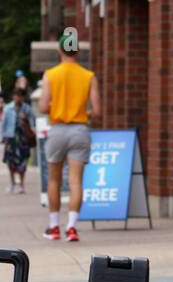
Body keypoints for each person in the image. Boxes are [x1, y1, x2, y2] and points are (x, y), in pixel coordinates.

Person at [38, 33, 99, 242]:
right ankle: (72, 228)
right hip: (79, 130)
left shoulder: (51, 74)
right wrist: (81, 113)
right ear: (78, 51)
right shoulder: (88, 76)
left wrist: (59, 109)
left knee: (54, 179)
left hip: (57, 130)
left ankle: (54, 227)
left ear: (59, 50)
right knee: (76, 181)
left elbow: (43, 106)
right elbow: (97, 109)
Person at [0, 86, 35, 194]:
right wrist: (1, 137)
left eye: (19, 96)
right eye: (15, 95)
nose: (17, 98)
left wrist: (27, 121)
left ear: (23, 97)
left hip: (23, 138)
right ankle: (12, 182)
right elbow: (3, 124)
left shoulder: (27, 109)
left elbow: (33, 122)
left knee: (23, 162)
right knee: (11, 163)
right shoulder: (8, 108)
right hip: (11, 138)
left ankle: (22, 184)